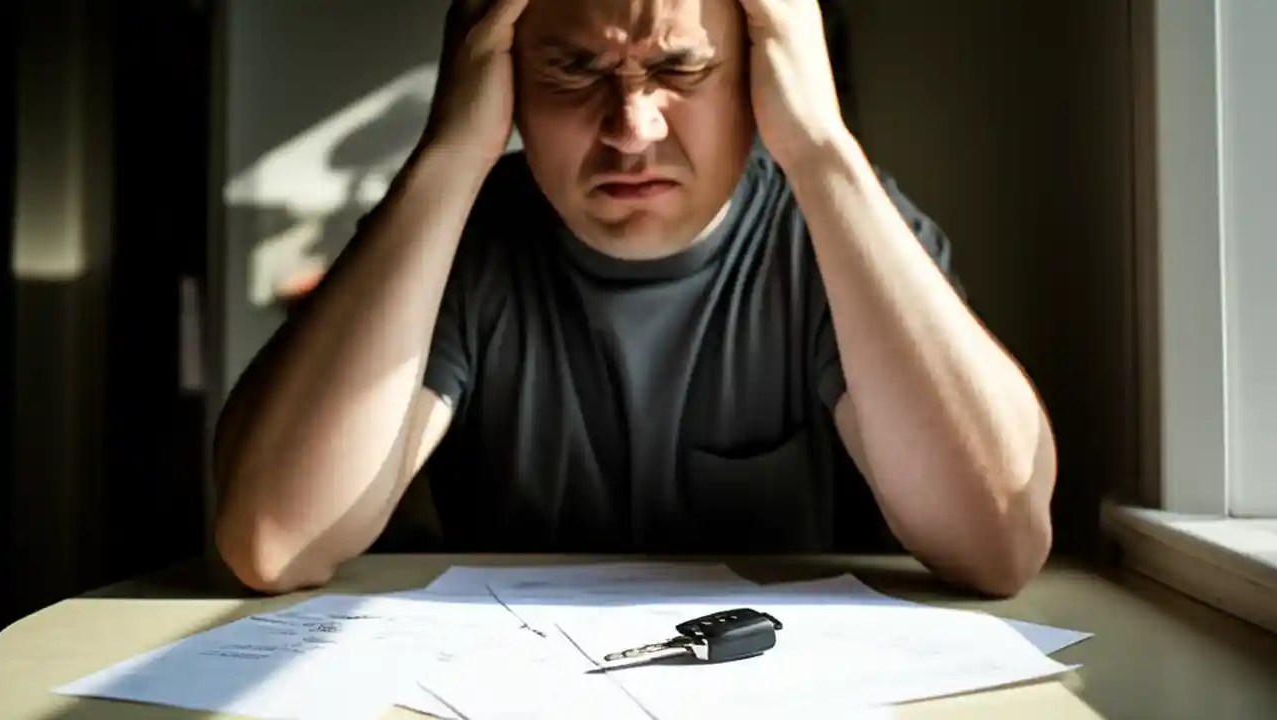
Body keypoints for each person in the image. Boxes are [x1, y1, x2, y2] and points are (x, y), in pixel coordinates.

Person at [211, 0, 1057, 598]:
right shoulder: (464, 241)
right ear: (505, 81)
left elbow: (1000, 543)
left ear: (761, 72)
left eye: (680, 68)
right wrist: (446, 157)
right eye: (575, 71)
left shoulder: (837, 236)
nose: (631, 129)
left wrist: (825, 148)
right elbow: (273, 541)